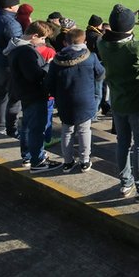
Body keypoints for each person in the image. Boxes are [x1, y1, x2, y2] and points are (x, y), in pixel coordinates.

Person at [98, 4, 139, 200]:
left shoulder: (103, 44)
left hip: (118, 102)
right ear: (130, 26)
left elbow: (107, 36)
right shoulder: (137, 47)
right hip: (138, 103)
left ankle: (126, 184)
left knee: (123, 143)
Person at [46, 28, 104, 173]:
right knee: (84, 130)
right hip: (85, 99)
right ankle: (84, 161)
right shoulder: (91, 57)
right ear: (84, 41)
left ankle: (67, 161)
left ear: (67, 42)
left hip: (64, 100)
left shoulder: (57, 60)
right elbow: (101, 73)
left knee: (67, 131)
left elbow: (49, 82)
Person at [6, 21, 60, 173]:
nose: (43, 43)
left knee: (27, 127)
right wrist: (48, 65)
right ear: (34, 36)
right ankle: (38, 161)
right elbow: (34, 75)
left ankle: (28, 157)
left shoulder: (15, 46)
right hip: (34, 93)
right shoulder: (26, 51)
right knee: (36, 128)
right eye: (42, 39)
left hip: (24, 92)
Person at [0, 0, 24, 136]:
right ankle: (12, 129)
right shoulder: (11, 23)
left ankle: (1, 126)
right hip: (10, 65)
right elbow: (18, 45)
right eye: (17, 4)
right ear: (11, 6)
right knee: (14, 98)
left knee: (2, 96)